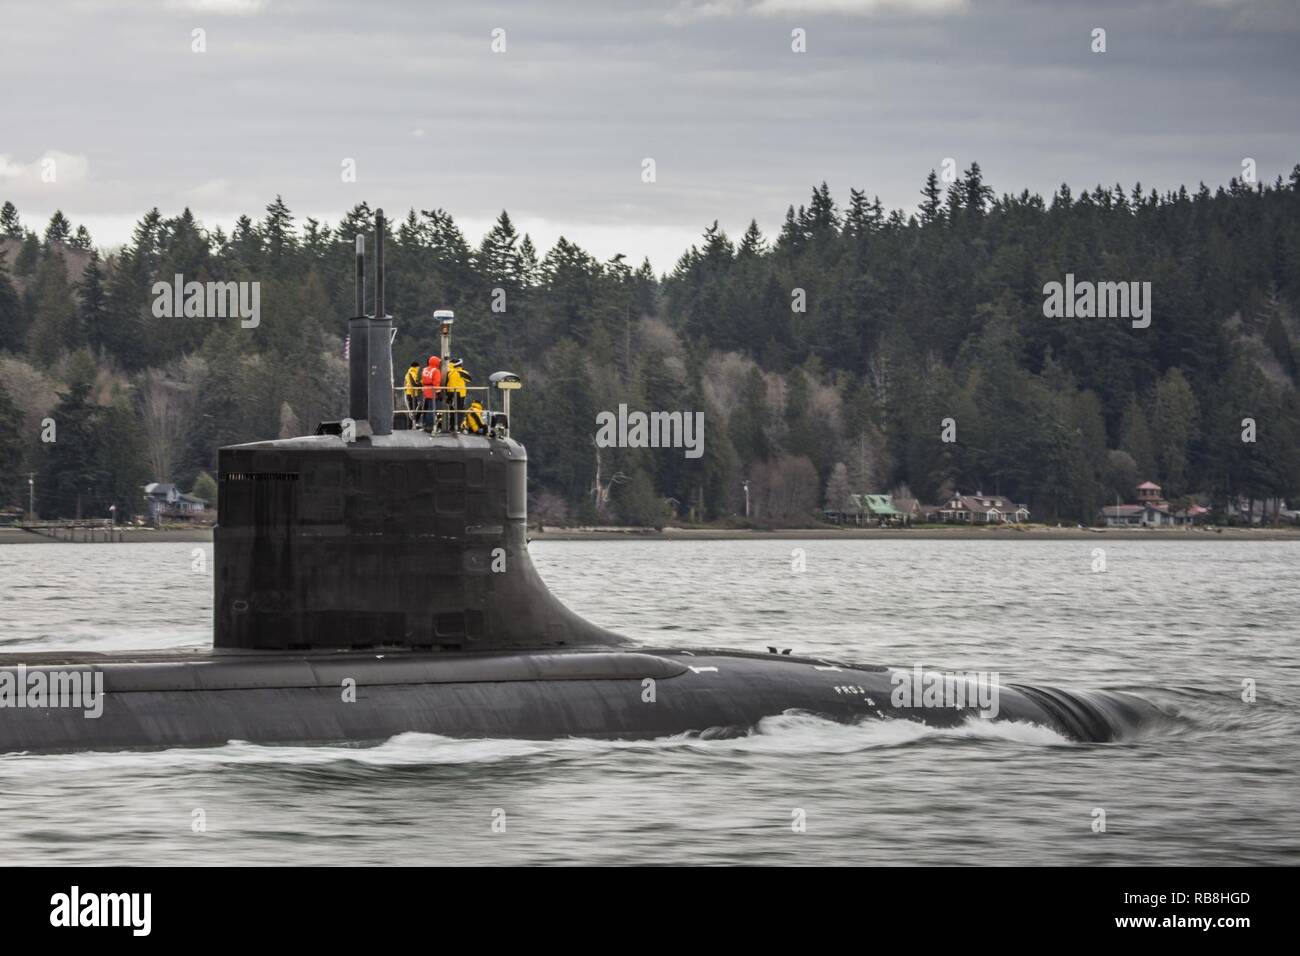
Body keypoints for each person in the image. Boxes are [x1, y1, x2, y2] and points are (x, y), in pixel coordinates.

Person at [445, 358, 472, 431]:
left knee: (452, 411)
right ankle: (458, 427)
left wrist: (448, 395)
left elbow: (446, 384)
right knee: (460, 411)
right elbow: (469, 379)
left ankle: (452, 427)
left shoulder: (449, 373)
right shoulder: (461, 372)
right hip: (460, 394)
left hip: (450, 394)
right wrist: (462, 370)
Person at [420, 355, 442, 432]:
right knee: (432, 410)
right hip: (432, 392)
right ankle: (430, 426)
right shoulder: (436, 371)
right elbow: (436, 383)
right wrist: (439, 393)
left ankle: (424, 424)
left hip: (425, 391)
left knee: (425, 409)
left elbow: (422, 381)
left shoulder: (425, 369)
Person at [402, 360, 422, 428]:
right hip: (411, 394)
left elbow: (405, 383)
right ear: (416, 367)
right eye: (418, 367)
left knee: (412, 410)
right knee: (415, 409)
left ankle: (411, 425)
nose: (419, 369)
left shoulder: (408, 373)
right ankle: (413, 424)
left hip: (409, 393)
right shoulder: (412, 373)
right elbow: (414, 384)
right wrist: (421, 384)